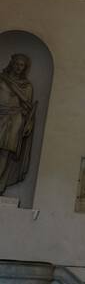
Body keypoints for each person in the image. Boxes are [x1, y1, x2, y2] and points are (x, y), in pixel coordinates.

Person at [0, 53, 36, 195]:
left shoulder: (27, 86)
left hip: (15, 118)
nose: (18, 67)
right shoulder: (2, 78)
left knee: (5, 151)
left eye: (22, 65)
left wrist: (29, 123)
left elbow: (28, 109)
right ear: (12, 63)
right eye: (16, 64)